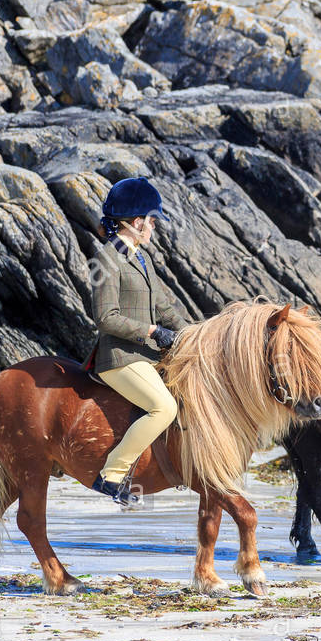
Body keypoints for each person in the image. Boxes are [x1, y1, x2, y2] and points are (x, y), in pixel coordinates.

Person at [88, 177, 189, 506]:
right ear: (136, 222)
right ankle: (112, 475)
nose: (154, 226)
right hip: (119, 358)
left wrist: (193, 335)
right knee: (164, 407)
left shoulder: (142, 260)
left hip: (144, 356)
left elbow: (165, 308)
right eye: (152, 220)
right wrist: (151, 331)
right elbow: (105, 318)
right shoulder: (106, 260)